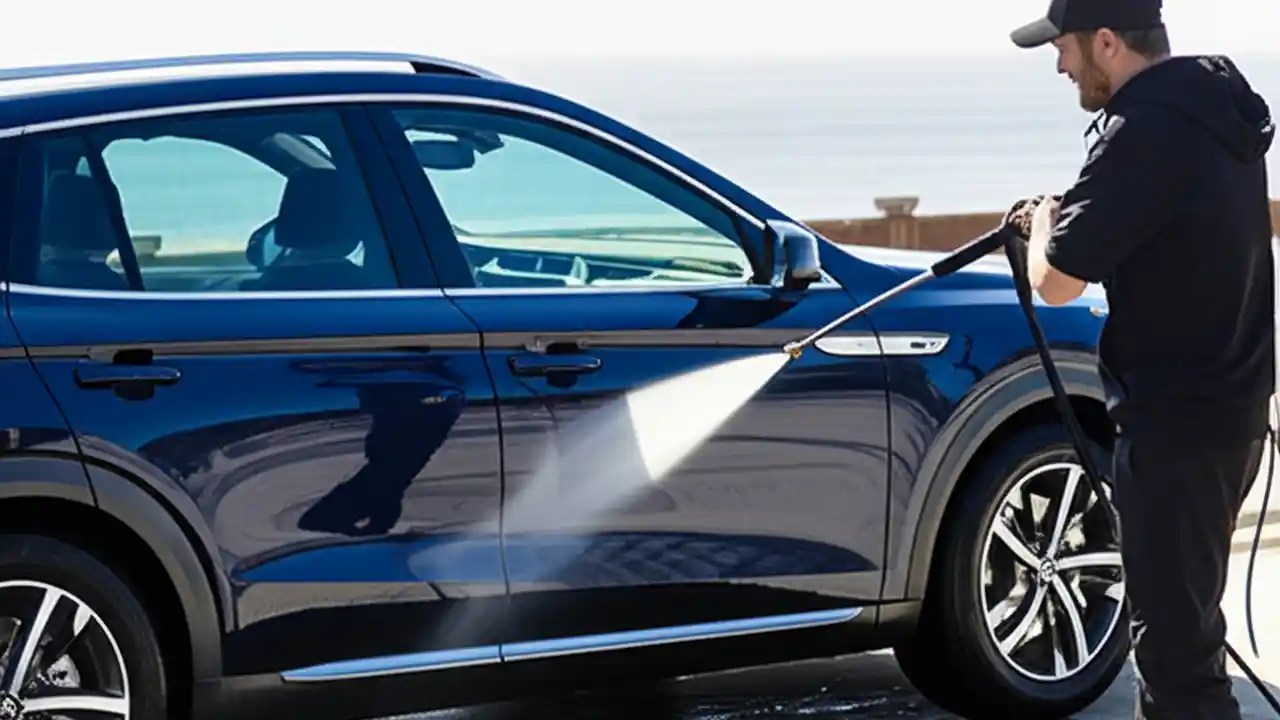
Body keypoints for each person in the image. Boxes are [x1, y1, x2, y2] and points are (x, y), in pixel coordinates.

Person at [1009, 0, 1276, 718]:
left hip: (1174, 431)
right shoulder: (1215, 110)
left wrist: (1043, 224)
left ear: (1105, 42)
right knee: (1188, 638)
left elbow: (1058, 281)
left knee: (1176, 664)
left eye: (1064, 48)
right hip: (1233, 414)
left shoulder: (1141, 132)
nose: (1061, 66)